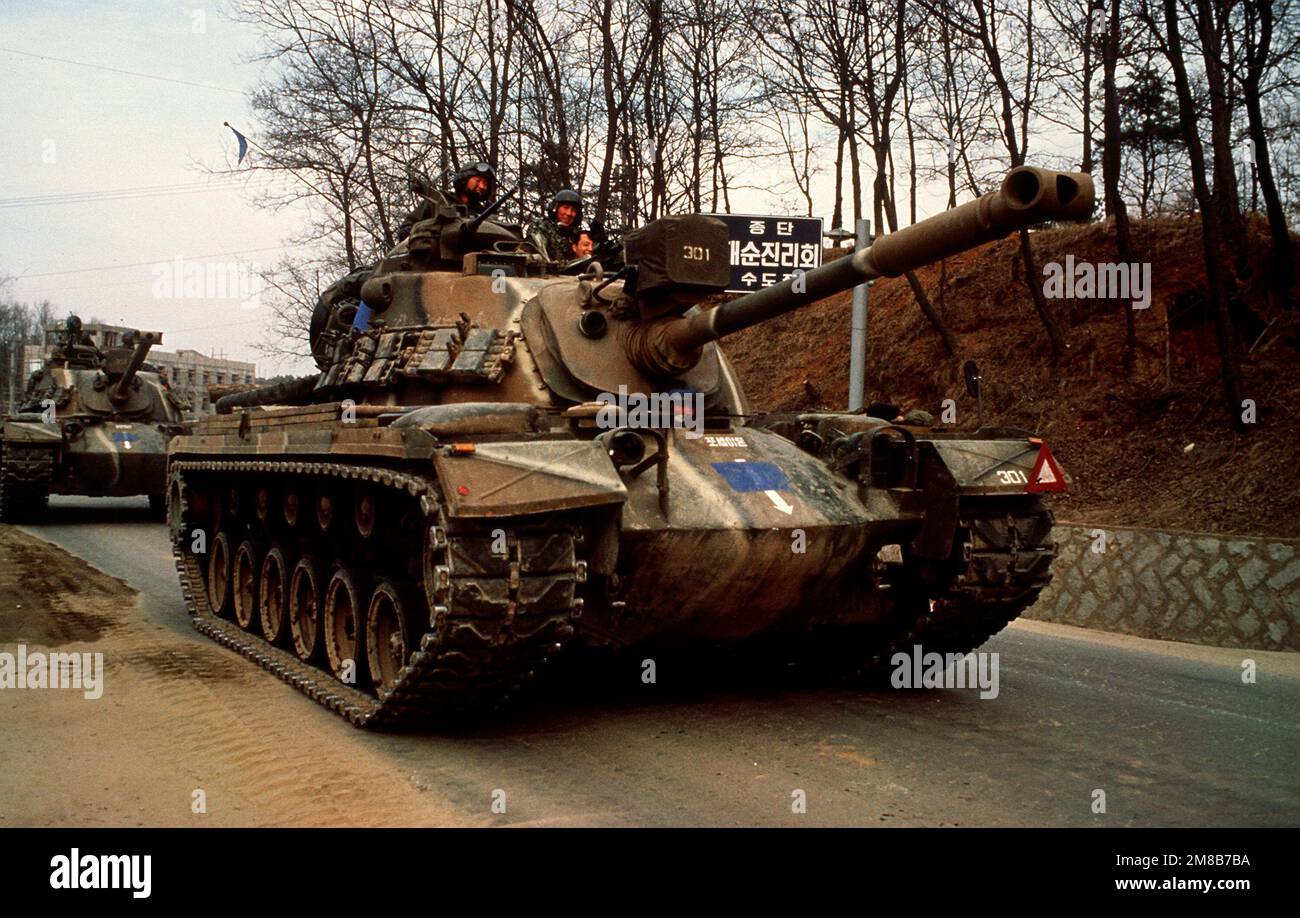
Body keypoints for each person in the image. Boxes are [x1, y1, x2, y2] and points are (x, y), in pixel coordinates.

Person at [396, 161, 497, 241]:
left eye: (485, 184)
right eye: (478, 181)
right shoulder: (438, 200)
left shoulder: (484, 213)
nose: (482, 186)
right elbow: (405, 231)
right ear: (465, 179)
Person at [526, 189, 582, 261]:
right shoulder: (541, 226)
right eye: (565, 207)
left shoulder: (577, 235)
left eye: (573, 210)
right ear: (555, 208)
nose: (569, 213)